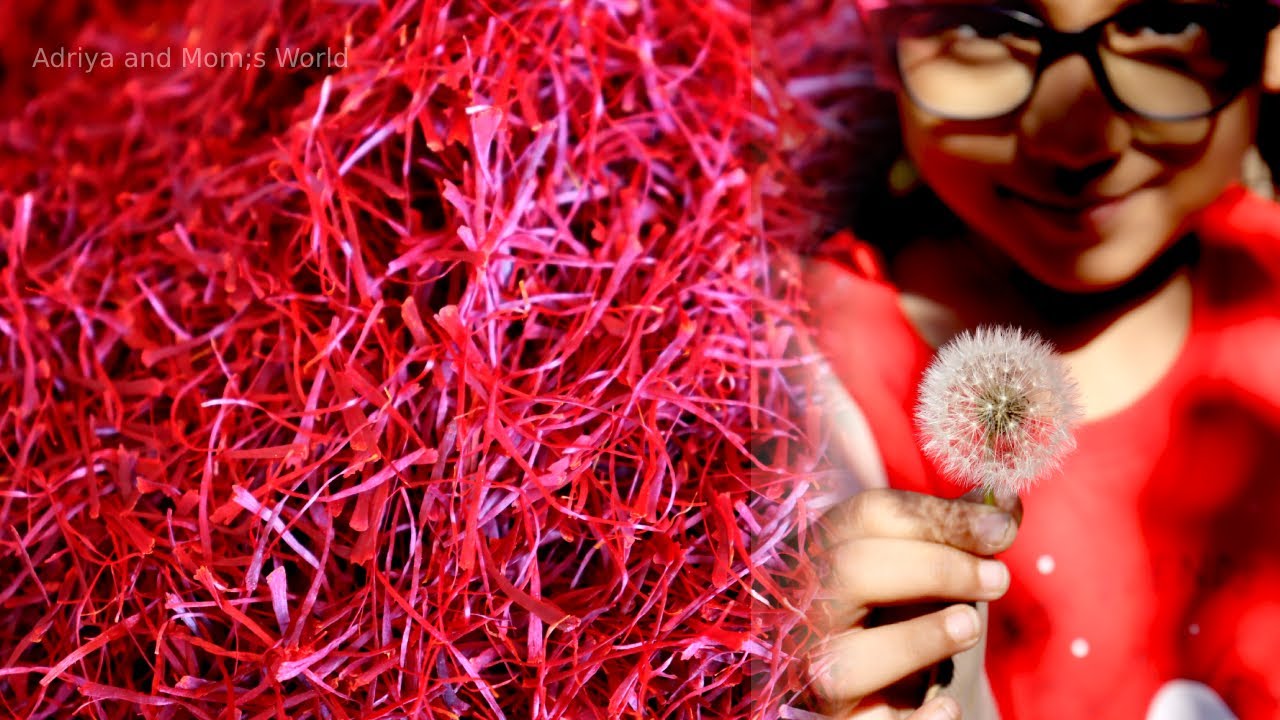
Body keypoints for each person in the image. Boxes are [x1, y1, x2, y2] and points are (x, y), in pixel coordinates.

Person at [804, 1, 1280, 718]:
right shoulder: (802, 371)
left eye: (1161, 22)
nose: (1077, 138)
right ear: (878, 43)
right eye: (989, 26)